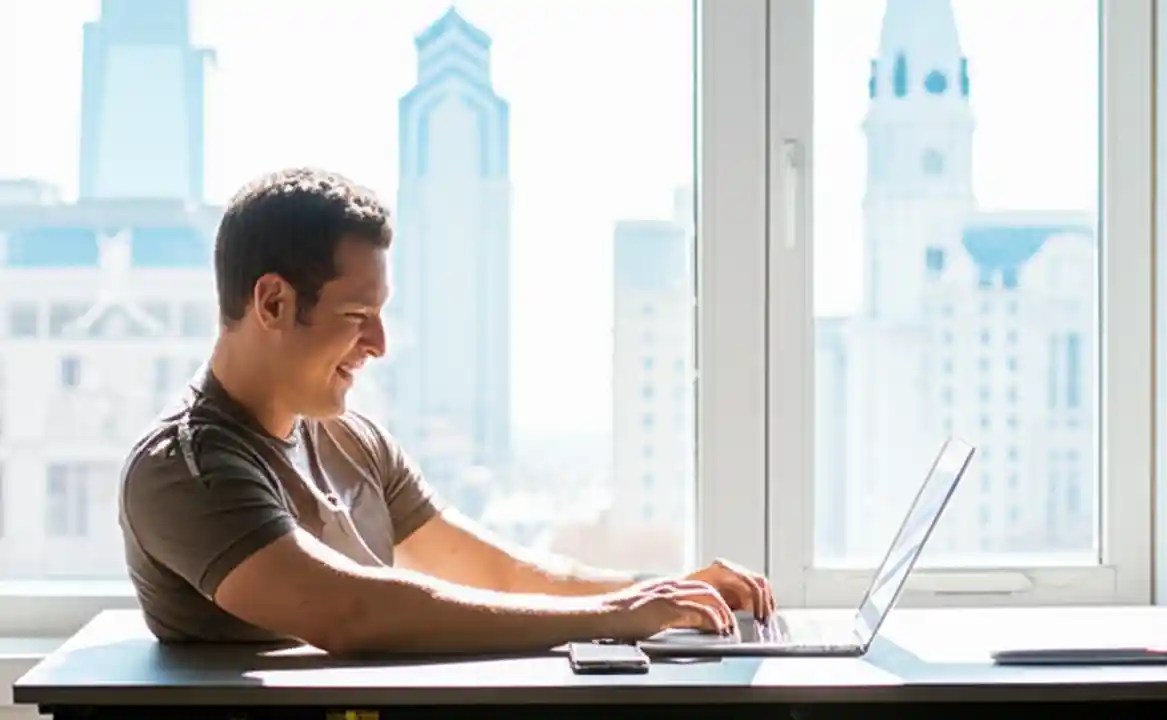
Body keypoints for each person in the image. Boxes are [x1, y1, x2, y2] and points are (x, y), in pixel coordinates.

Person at [118, 167, 775, 655]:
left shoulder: (351, 441)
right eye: (357, 317)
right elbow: (348, 611)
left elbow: (499, 572)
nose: (378, 345)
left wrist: (667, 593)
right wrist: (616, 614)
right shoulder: (185, 469)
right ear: (272, 303)